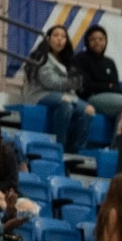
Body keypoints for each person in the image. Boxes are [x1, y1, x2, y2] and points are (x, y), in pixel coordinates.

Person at [21, 25, 94, 154]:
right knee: (65, 104)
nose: (60, 39)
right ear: (48, 39)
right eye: (56, 35)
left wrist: (73, 87)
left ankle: (76, 150)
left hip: (63, 95)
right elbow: (51, 82)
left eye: (63, 36)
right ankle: (59, 145)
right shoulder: (41, 56)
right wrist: (72, 83)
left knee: (88, 110)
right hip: (40, 94)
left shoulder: (67, 61)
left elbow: (73, 86)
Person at [72, 25, 122, 120]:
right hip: (90, 98)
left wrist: (108, 86)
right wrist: (107, 86)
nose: (97, 42)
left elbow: (116, 87)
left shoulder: (110, 62)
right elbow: (86, 86)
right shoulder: (80, 59)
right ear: (87, 41)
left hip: (110, 97)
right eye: (93, 39)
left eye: (101, 39)